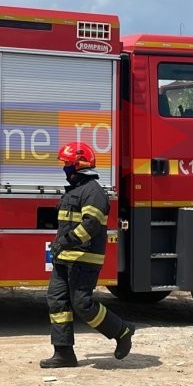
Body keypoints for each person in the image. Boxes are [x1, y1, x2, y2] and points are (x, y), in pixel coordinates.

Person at [41, 141, 135, 368]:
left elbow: (90, 226)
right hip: (65, 258)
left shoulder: (93, 193)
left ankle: (121, 330)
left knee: (82, 304)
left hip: (84, 259)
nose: (64, 169)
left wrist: (65, 241)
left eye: (66, 164)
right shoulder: (75, 191)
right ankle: (63, 352)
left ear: (77, 166)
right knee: (57, 301)